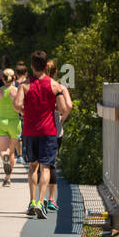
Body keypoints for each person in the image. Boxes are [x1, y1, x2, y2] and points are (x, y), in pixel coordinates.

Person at [13, 50, 72, 219]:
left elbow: (17, 105)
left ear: (31, 66)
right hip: (48, 132)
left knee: (33, 166)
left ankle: (31, 201)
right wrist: (52, 107)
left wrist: (27, 111)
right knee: (46, 167)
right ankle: (41, 201)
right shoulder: (55, 86)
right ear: (46, 66)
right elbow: (63, 108)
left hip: (30, 131)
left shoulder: (24, 86)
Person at [42, 59, 73, 215]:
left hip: (39, 129)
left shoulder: (37, 85)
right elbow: (69, 106)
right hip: (55, 130)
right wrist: (61, 119)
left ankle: (38, 199)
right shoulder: (60, 87)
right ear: (56, 72)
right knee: (51, 164)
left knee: (39, 165)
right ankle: (52, 198)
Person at [0, 68, 22, 186]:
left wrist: (1, 111)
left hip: (1, 122)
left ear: (2, 79)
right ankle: (7, 178)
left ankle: (4, 155)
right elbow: (23, 108)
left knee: (2, 151)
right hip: (14, 123)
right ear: (14, 78)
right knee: (12, 152)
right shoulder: (18, 91)